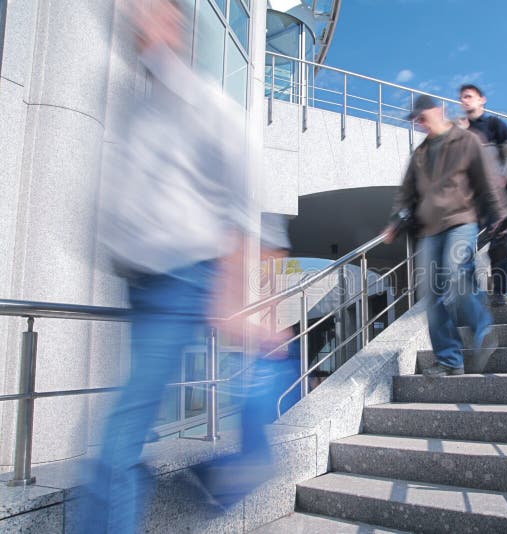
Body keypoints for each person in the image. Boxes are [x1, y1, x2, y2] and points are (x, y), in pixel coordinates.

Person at [80, 1, 288, 531]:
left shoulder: (208, 106)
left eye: (147, 9)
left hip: (183, 279)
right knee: (132, 424)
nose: (132, 16)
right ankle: (232, 472)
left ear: (175, 24)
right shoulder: (138, 108)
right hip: (143, 283)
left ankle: (232, 470)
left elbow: (245, 213)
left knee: (119, 437)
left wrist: (231, 298)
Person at [384, 94, 507, 377]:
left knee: (456, 271)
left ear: (438, 111)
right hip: (430, 230)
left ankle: (483, 328)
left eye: (422, 116)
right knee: (431, 294)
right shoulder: (419, 154)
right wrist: (394, 221)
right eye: (415, 119)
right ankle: (450, 360)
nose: (419, 123)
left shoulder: (465, 141)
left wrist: (499, 216)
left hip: (461, 220)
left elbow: (486, 179)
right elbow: (405, 192)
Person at [460, 84, 507, 306]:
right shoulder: (462, 133)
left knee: (499, 246)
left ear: (481, 100)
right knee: (463, 249)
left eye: (469, 96)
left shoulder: (494, 125)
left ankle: (503, 292)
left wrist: (504, 176)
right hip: (471, 201)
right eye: (462, 98)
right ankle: (473, 297)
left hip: (495, 197)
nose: (464, 101)